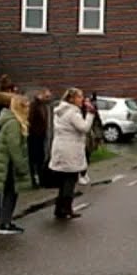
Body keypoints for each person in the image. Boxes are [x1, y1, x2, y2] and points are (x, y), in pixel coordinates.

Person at [0, 95, 32, 235]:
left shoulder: (13, 122)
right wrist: (22, 166)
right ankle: (4, 223)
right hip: (8, 165)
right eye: (27, 106)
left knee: (11, 193)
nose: (29, 108)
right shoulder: (13, 123)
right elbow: (14, 148)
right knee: (10, 193)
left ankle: (6, 221)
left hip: (8, 164)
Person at [48, 88, 96, 219]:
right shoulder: (72, 113)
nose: (82, 100)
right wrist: (91, 113)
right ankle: (66, 208)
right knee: (70, 179)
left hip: (61, 147)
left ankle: (59, 208)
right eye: (79, 97)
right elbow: (84, 127)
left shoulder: (60, 111)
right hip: (71, 149)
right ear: (72, 99)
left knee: (64, 180)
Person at [27, 88, 53, 189]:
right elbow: (31, 120)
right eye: (46, 96)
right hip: (34, 137)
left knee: (40, 158)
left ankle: (41, 180)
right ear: (40, 95)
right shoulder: (34, 106)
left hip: (41, 136)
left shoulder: (43, 106)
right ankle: (34, 180)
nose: (48, 99)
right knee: (34, 159)